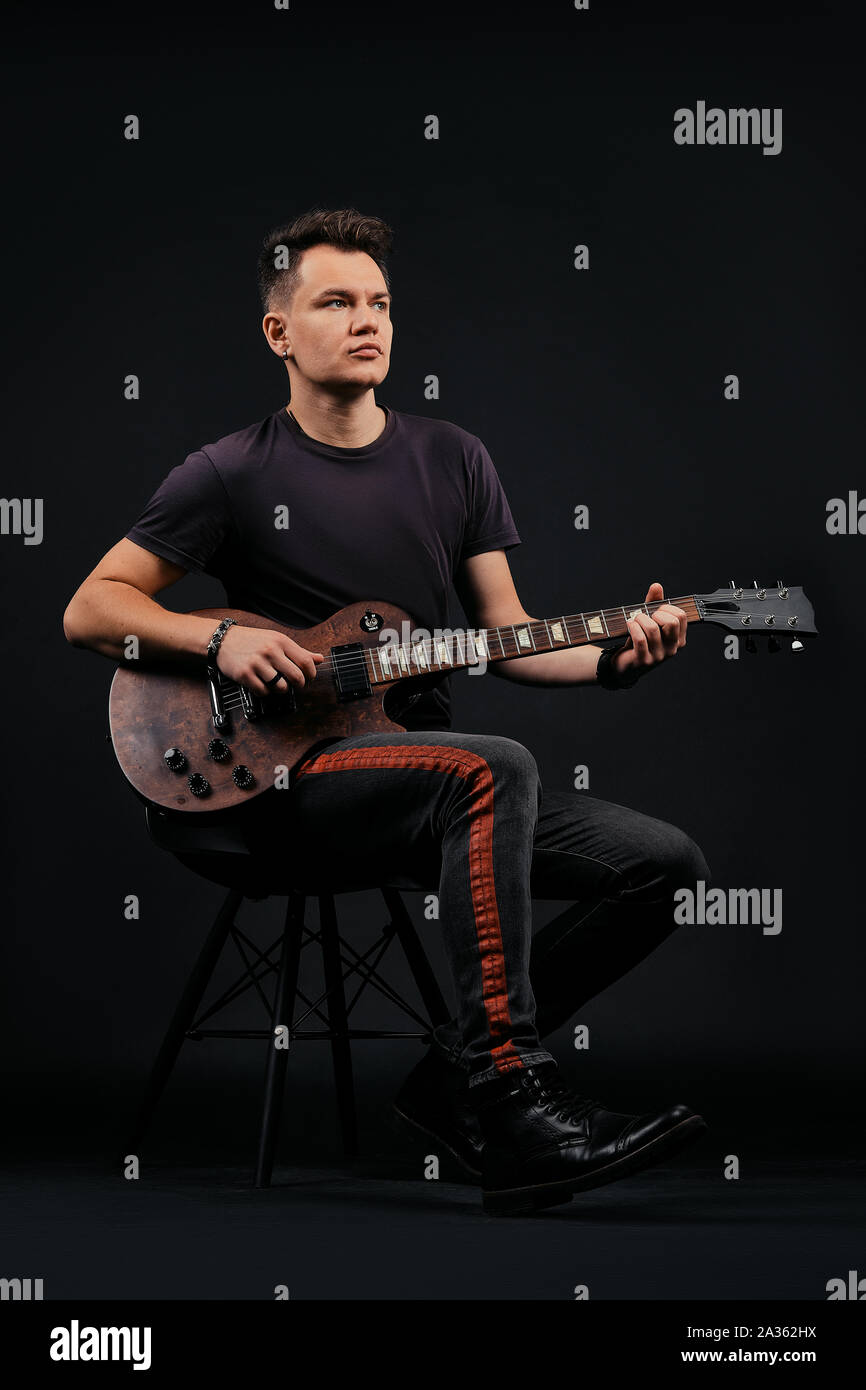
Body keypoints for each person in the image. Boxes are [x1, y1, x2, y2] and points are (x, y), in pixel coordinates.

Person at [63, 207, 712, 1217]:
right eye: (336, 302)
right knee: (487, 765)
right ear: (279, 332)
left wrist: (620, 659)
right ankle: (509, 1097)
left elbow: (511, 634)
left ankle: (451, 1082)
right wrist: (221, 639)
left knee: (662, 865)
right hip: (274, 783)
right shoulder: (229, 469)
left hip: (408, 774)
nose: (368, 321)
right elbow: (92, 608)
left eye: (379, 303)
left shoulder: (453, 457)